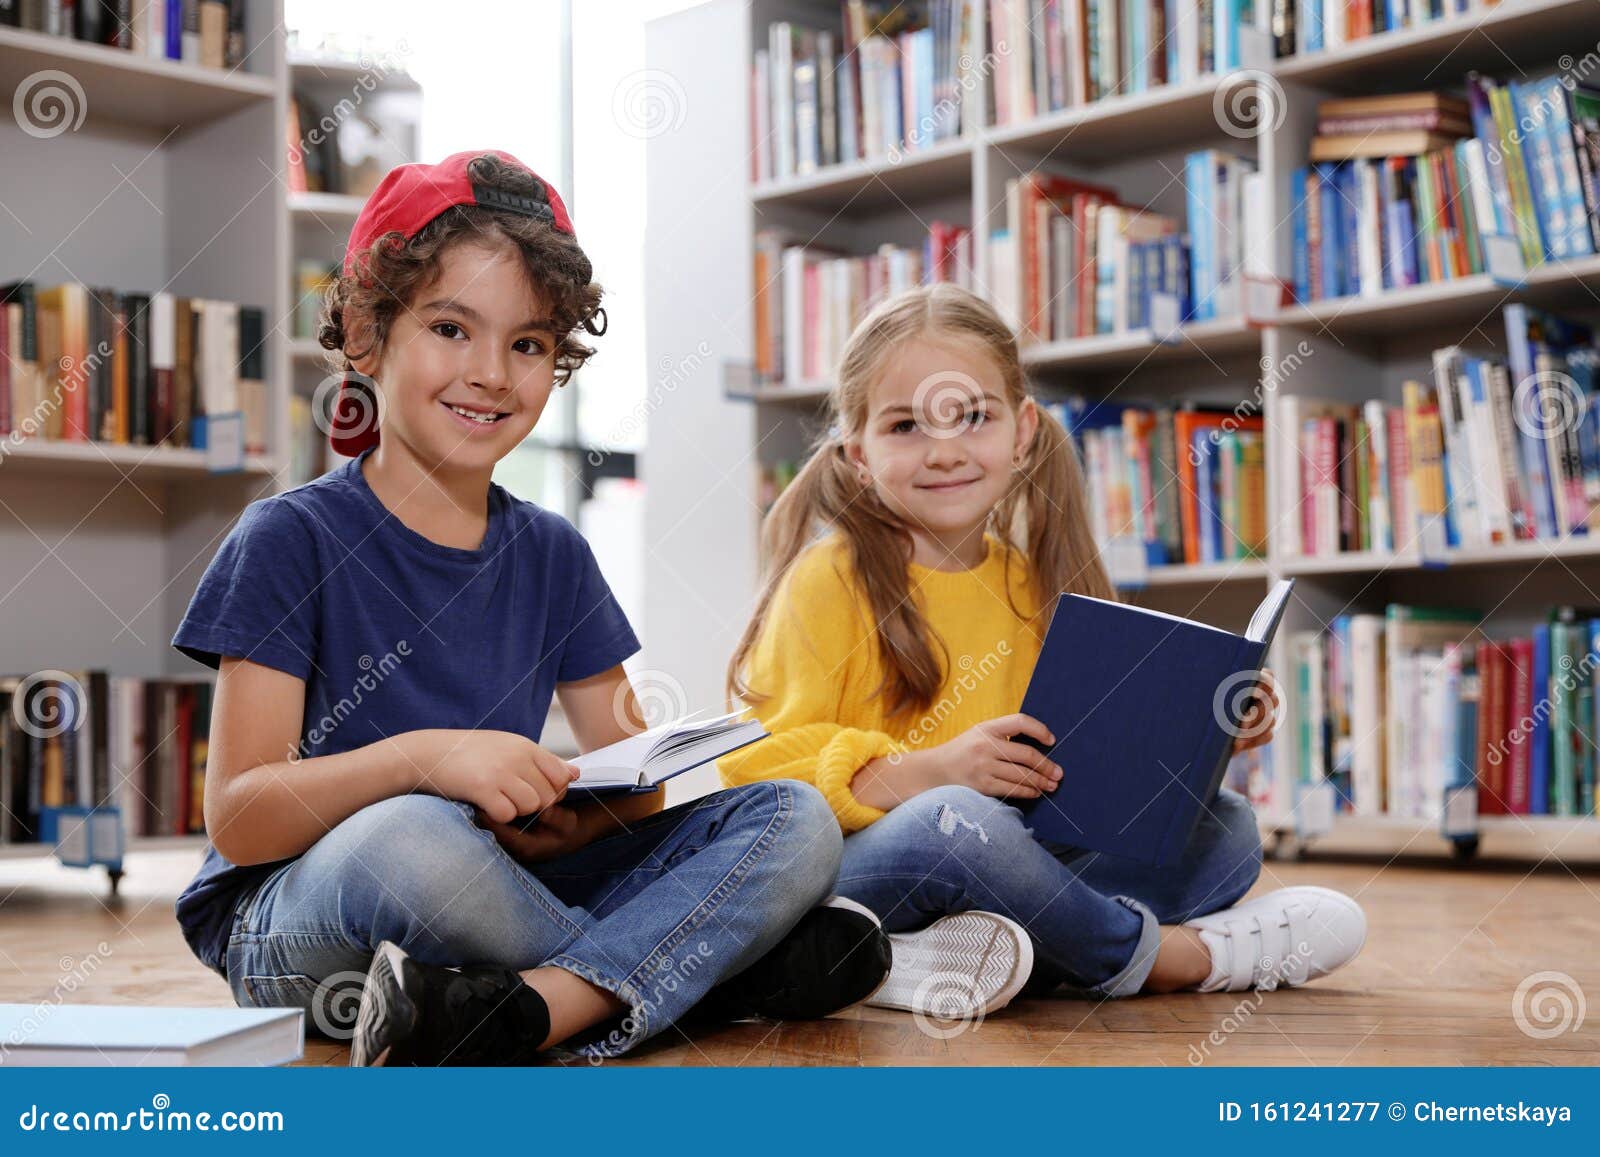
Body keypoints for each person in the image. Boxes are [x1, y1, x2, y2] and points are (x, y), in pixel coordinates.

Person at [171, 149, 888, 1066]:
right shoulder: (289, 538)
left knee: (792, 816)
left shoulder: (553, 552)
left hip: (504, 882)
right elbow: (240, 815)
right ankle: (696, 975)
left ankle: (531, 1005)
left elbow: (642, 780)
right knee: (413, 836)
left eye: (529, 344)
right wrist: (428, 760)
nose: (492, 374)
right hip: (301, 916)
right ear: (363, 332)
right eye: (451, 328)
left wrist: (579, 819)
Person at [720, 283, 1366, 1022]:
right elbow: (756, 772)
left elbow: (1092, 771)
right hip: (866, 869)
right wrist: (928, 770)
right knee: (956, 819)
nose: (945, 450)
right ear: (857, 454)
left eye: (973, 417)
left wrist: (1212, 723)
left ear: (1022, 430)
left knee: (1228, 829)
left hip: (1015, 859)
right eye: (905, 426)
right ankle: (1169, 958)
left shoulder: (1034, 583)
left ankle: (943, 955)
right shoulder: (828, 579)